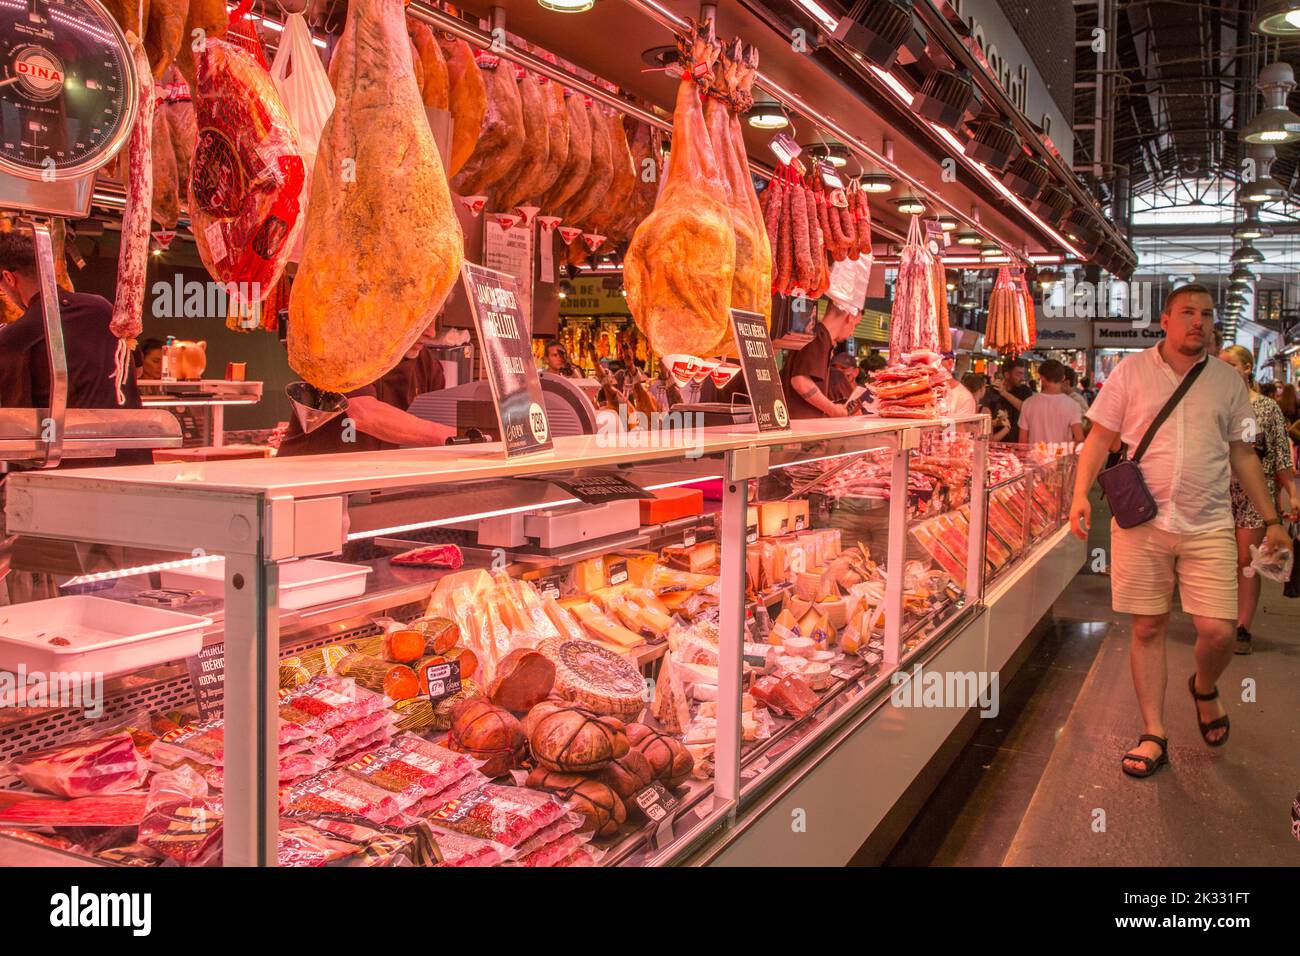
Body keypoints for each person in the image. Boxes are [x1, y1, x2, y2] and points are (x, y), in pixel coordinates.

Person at [1068, 283, 1291, 778]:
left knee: (1218, 630)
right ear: (1165, 321)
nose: (1199, 321)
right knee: (1147, 626)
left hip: (1209, 523)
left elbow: (1243, 454)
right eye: (1187, 312)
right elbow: (1099, 438)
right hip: (1140, 522)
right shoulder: (1130, 372)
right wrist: (1080, 493)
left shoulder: (1228, 384)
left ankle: (1204, 687)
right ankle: (1154, 732)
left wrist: (1273, 520)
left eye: (1206, 314)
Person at [0, 230, 143, 414]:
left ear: (9, 278)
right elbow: (137, 370)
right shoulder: (102, 307)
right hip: (131, 435)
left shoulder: (16, 336)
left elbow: (13, 413)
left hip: (69, 440)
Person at [277, 316, 456, 455]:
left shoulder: (428, 365)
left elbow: (431, 436)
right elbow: (363, 414)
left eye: (434, 318)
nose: (431, 332)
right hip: (309, 485)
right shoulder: (345, 347)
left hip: (371, 488)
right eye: (423, 319)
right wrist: (455, 436)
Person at [1218, 345, 1298, 655]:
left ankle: (1242, 627)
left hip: (1256, 494)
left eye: (1231, 364)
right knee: (1220, 559)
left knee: (1245, 560)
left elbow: (1280, 455)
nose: (1224, 369)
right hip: (1217, 490)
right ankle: (1221, 619)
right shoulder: (1216, 405)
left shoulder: (1267, 408)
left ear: (1247, 368)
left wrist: (1292, 494)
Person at [781, 302, 859, 418]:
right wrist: (833, 410)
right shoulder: (818, 337)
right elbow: (800, 381)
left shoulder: (820, 337)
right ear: (849, 318)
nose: (852, 332)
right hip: (798, 426)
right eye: (855, 325)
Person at [1018, 359, 1084, 445]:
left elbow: (1022, 440)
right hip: (1061, 457)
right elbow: (1079, 438)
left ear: (1042, 378)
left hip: (1034, 457)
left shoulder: (1028, 403)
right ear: (1063, 378)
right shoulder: (1072, 405)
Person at [991, 358, 1034, 436]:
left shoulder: (1025, 390)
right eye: (1018, 374)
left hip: (1018, 441)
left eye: (1023, 374)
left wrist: (1004, 393)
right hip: (997, 441)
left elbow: (1026, 409)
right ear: (1007, 375)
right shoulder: (993, 391)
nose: (1022, 378)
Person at [962, 372, 1010, 440]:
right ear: (982, 389)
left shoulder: (960, 408)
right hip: (978, 449)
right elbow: (990, 440)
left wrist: (994, 423)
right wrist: (1007, 428)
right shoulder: (984, 411)